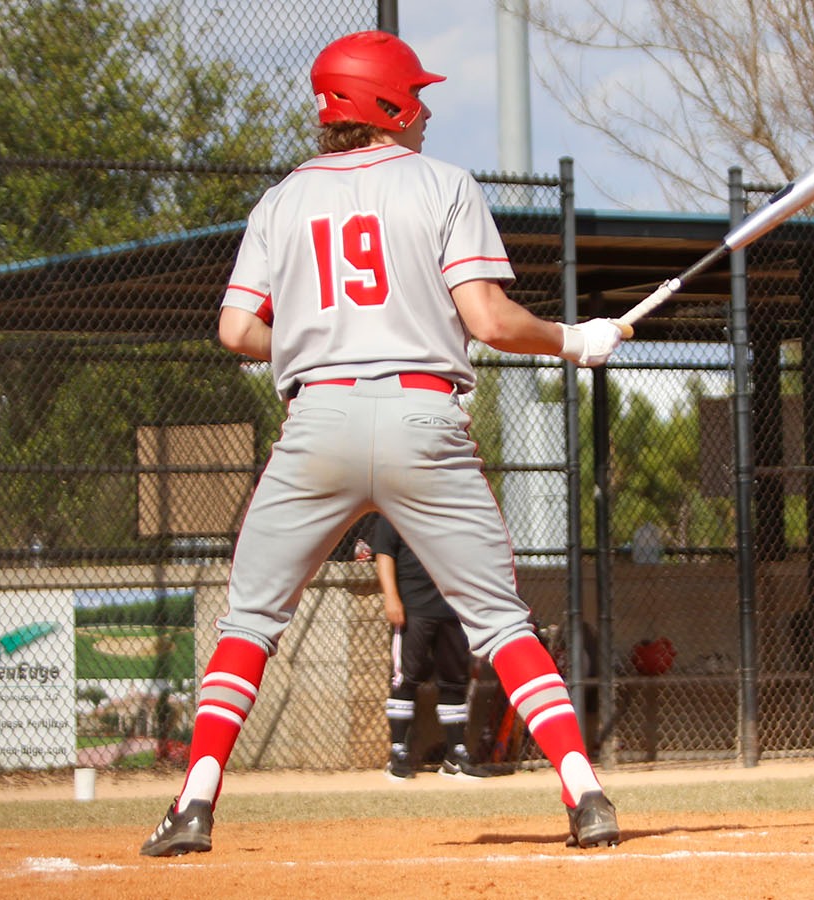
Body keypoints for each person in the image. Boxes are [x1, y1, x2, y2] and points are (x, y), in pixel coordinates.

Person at [140, 30, 624, 857]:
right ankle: (585, 794)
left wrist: (311, 343)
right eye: (415, 94)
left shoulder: (281, 199)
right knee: (500, 622)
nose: (428, 107)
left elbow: (235, 329)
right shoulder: (442, 185)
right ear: (386, 106)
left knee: (250, 620)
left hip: (316, 423)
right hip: (421, 420)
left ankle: (194, 803)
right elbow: (491, 322)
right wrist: (576, 340)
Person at [372, 515, 491, 781]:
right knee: (405, 677)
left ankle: (455, 756)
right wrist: (391, 597)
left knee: (454, 680)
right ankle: (398, 754)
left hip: (452, 609)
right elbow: (384, 554)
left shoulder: (451, 510)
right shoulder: (394, 510)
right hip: (414, 608)